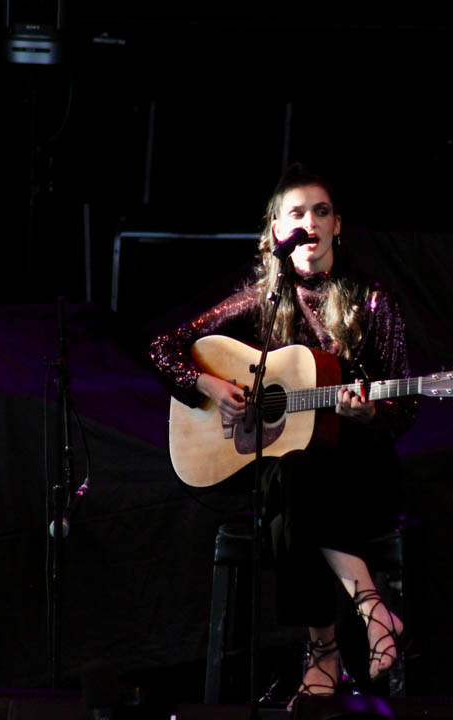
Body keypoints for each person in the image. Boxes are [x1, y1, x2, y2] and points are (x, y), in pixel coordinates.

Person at [148, 163, 415, 705]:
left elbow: (403, 406)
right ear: (275, 231)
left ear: (337, 225)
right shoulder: (261, 303)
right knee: (289, 472)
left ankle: (323, 652)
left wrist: (367, 414)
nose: (309, 223)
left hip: (357, 475)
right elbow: (163, 347)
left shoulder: (371, 302)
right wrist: (207, 385)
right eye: (295, 214)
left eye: (320, 211)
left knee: (293, 482)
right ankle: (372, 611)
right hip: (285, 477)